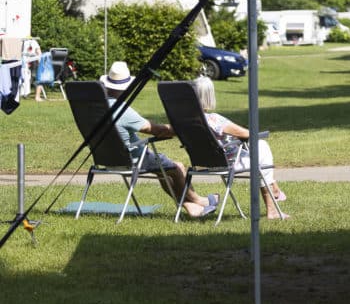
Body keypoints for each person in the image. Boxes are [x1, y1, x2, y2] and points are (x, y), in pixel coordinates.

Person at [101, 61, 216, 219]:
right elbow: (157, 130)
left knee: (167, 170)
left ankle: (190, 206)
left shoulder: (99, 108)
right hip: (133, 159)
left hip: (107, 159)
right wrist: (185, 128)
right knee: (175, 168)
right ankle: (199, 201)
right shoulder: (122, 110)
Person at [193, 74, 289, 219]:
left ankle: (274, 189)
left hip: (203, 163)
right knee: (261, 146)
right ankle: (272, 208)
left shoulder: (185, 121)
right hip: (228, 163)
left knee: (259, 152)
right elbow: (248, 134)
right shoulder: (215, 119)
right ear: (209, 96)